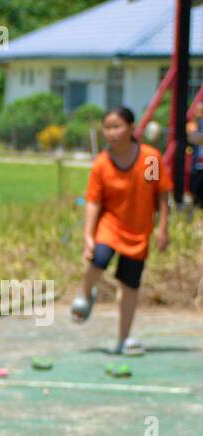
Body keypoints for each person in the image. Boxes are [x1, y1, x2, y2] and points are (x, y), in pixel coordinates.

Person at [70, 107, 172, 355]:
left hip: (139, 232)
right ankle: (85, 293)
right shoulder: (102, 164)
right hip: (110, 226)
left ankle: (123, 339)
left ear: (131, 128)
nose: (112, 133)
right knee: (100, 257)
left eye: (117, 126)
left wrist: (163, 229)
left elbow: (160, 195)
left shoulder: (149, 159)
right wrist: (88, 236)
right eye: (107, 128)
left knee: (129, 286)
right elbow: (93, 201)